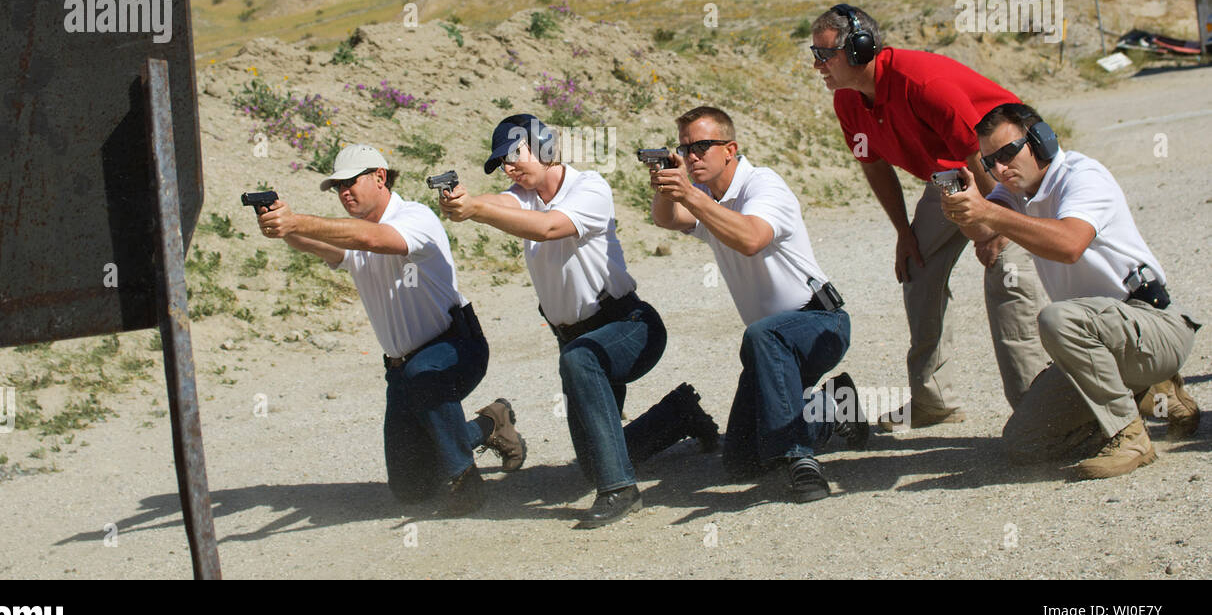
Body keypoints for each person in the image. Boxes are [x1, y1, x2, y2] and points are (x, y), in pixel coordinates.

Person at [439, 114, 719, 528]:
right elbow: (501, 203)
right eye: (502, 163)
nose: (509, 168)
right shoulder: (524, 195)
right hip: (578, 341)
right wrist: (468, 202)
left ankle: (620, 490)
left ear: (546, 148)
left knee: (580, 362)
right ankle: (678, 415)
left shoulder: (589, 187)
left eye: (515, 155)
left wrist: (475, 208)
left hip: (629, 326)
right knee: (592, 462)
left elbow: (551, 227)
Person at [255, 143, 525, 515]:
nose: (344, 192)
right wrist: (280, 227)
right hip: (401, 370)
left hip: (455, 349)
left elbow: (375, 240)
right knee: (411, 488)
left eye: (351, 182)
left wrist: (295, 220)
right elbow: (323, 244)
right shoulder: (353, 235)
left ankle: (466, 483)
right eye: (338, 187)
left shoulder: (415, 217)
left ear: (380, 177)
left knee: (424, 376)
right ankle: (489, 424)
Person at [810, 3, 1047, 428]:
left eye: (825, 54)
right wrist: (905, 232)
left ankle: (1040, 414)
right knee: (918, 268)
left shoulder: (924, 82)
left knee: (1006, 273)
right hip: (950, 176)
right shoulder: (848, 101)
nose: (816, 65)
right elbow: (875, 165)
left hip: (1008, 172)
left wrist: (998, 222)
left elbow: (984, 154)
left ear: (860, 49)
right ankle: (933, 400)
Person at [940, 104, 1201, 478]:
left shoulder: (1082, 176)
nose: (999, 169)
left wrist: (989, 213)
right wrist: (963, 210)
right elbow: (982, 231)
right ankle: (1148, 394)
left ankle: (1128, 436)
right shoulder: (1018, 190)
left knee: (1058, 318)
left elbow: (1069, 245)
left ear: (1041, 141)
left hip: (1152, 324)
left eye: (1007, 154)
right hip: (1098, 338)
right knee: (1027, 443)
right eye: (989, 162)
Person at [649, 105, 867, 502]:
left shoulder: (763, 185)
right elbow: (668, 219)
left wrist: (691, 198)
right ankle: (833, 409)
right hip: (770, 348)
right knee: (742, 459)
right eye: (684, 148)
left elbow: (751, 239)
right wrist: (666, 188)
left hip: (818, 323)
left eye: (701, 146)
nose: (691, 156)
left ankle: (800, 459)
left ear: (730, 148)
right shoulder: (708, 196)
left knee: (765, 335)